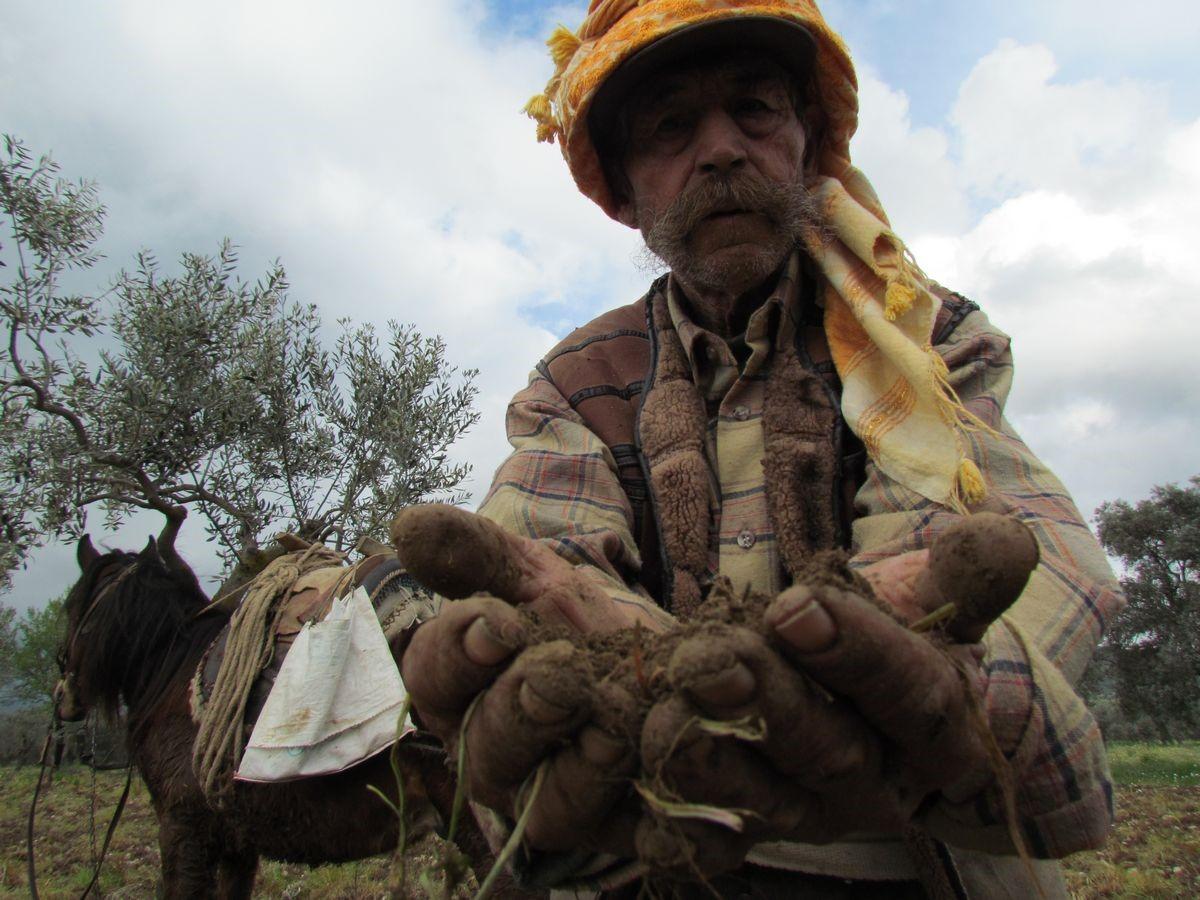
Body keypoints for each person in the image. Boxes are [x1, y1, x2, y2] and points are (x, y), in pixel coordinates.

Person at [397, 1, 1125, 897]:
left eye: (755, 110)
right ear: (626, 192)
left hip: (916, 853)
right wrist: (590, 643)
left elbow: (1023, 553)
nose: (721, 149)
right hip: (655, 847)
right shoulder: (577, 381)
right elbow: (545, 556)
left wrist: (929, 677)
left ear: (806, 141)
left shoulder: (919, 339)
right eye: (671, 125)